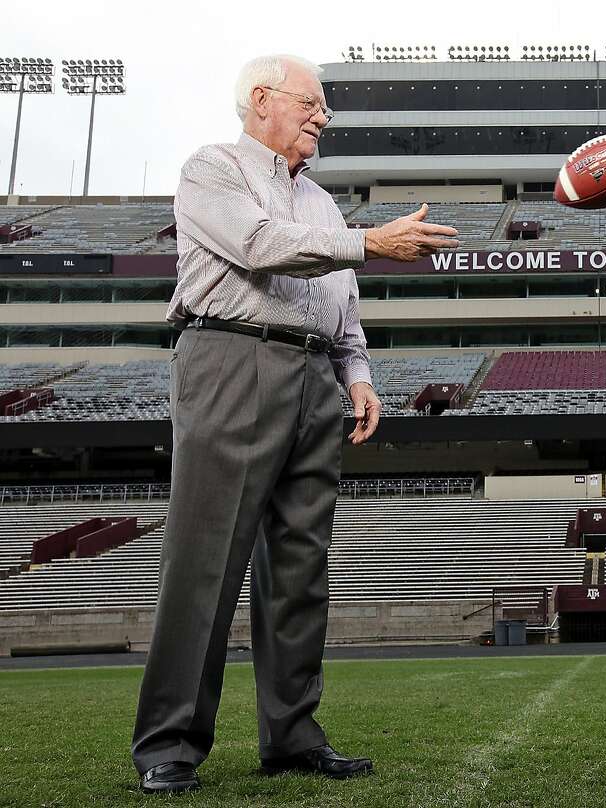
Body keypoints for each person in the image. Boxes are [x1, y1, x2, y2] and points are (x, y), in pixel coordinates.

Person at [132, 54, 460, 794]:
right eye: (311, 103)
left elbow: (338, 296)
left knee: (301, 569)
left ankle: (292, 735)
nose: (323, 117)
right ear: (260, 101)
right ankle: (170, 743)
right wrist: (370, 241)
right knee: (206, 558)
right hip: (233, 355)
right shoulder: (212, 168)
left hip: (314, 374)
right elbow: (257, 246)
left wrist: (359, 373)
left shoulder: (320, 201)